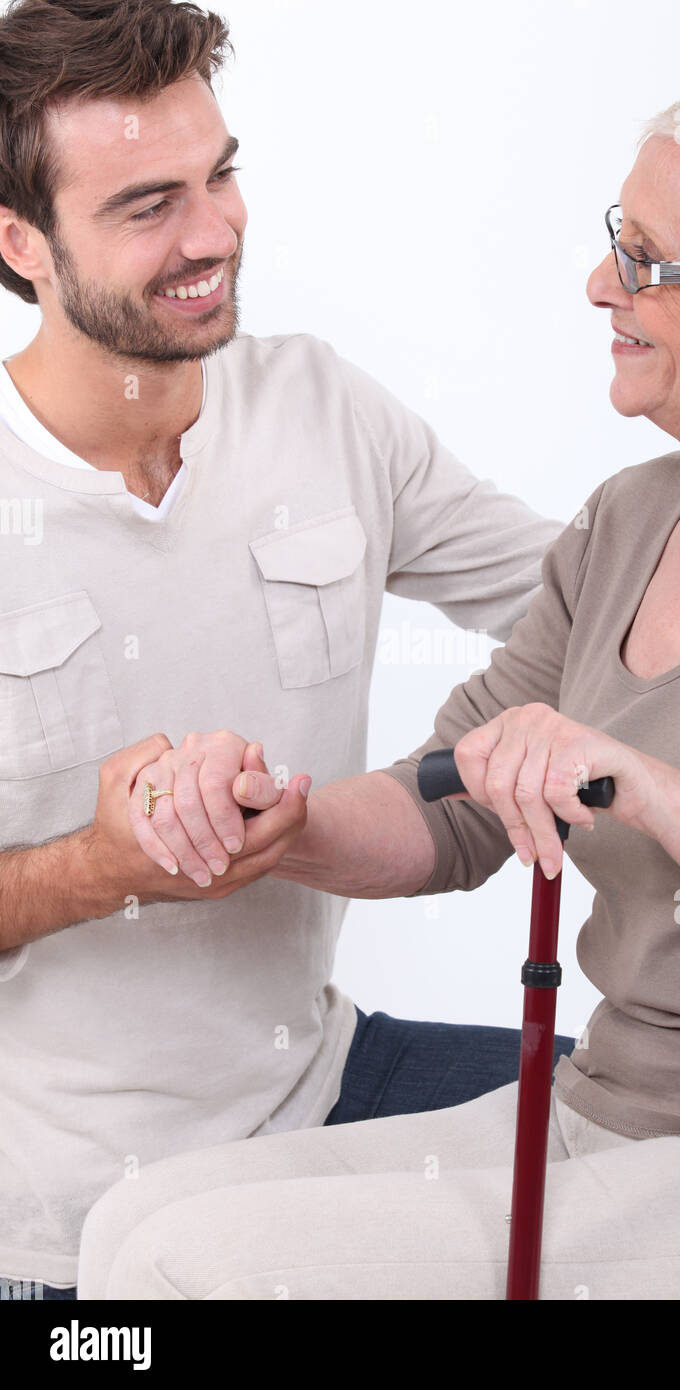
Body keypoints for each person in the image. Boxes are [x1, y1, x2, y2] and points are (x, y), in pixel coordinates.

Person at [77, 74, 680, 1301]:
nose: (601, 286)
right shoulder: (629, 520)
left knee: (183, 1273)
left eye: (648, 262)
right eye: (616, 241)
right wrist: (278, 819)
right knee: (135, 1219)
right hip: (608, 1106)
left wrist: (646, 787)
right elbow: (449, 806)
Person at [0, 0, 567, 1301]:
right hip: (60, 1227)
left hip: (321, 1094)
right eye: (148, 205)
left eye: (222, 174)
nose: (213, 235)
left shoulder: (318, 405)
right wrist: (97, 866)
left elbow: (599, 599)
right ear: (21, 240)